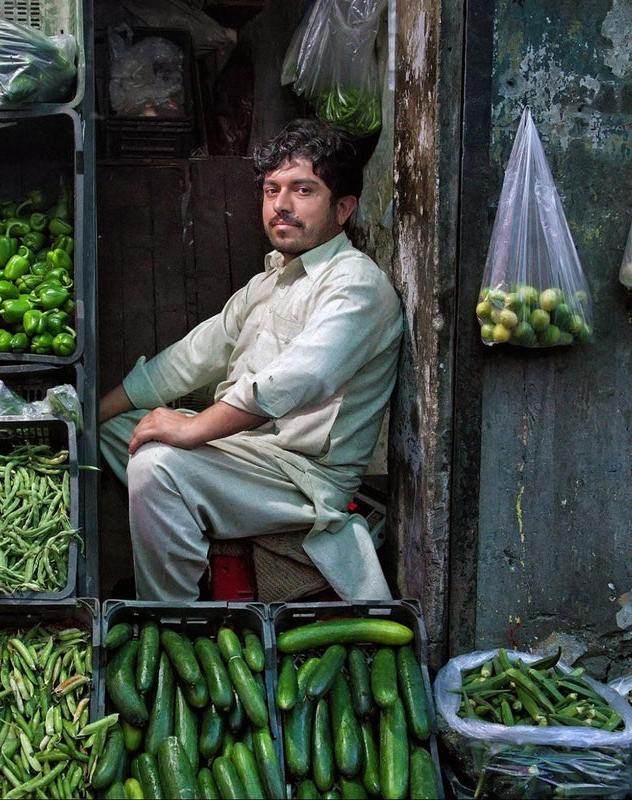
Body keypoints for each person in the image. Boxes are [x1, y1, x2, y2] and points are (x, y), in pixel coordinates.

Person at [97, 118, 403, 603]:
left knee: (155, 464)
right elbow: (190, 358)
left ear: (343, 208)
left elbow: (296, 380)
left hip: (302, 478)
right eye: (271, 189)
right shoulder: (269, 282)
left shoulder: (356, 285)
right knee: (117, 431)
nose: (281, 205)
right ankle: (186, 541)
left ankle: (173, 616)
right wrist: (89, 417)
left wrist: (191, 429)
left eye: (304, 190)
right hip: (246, 454)